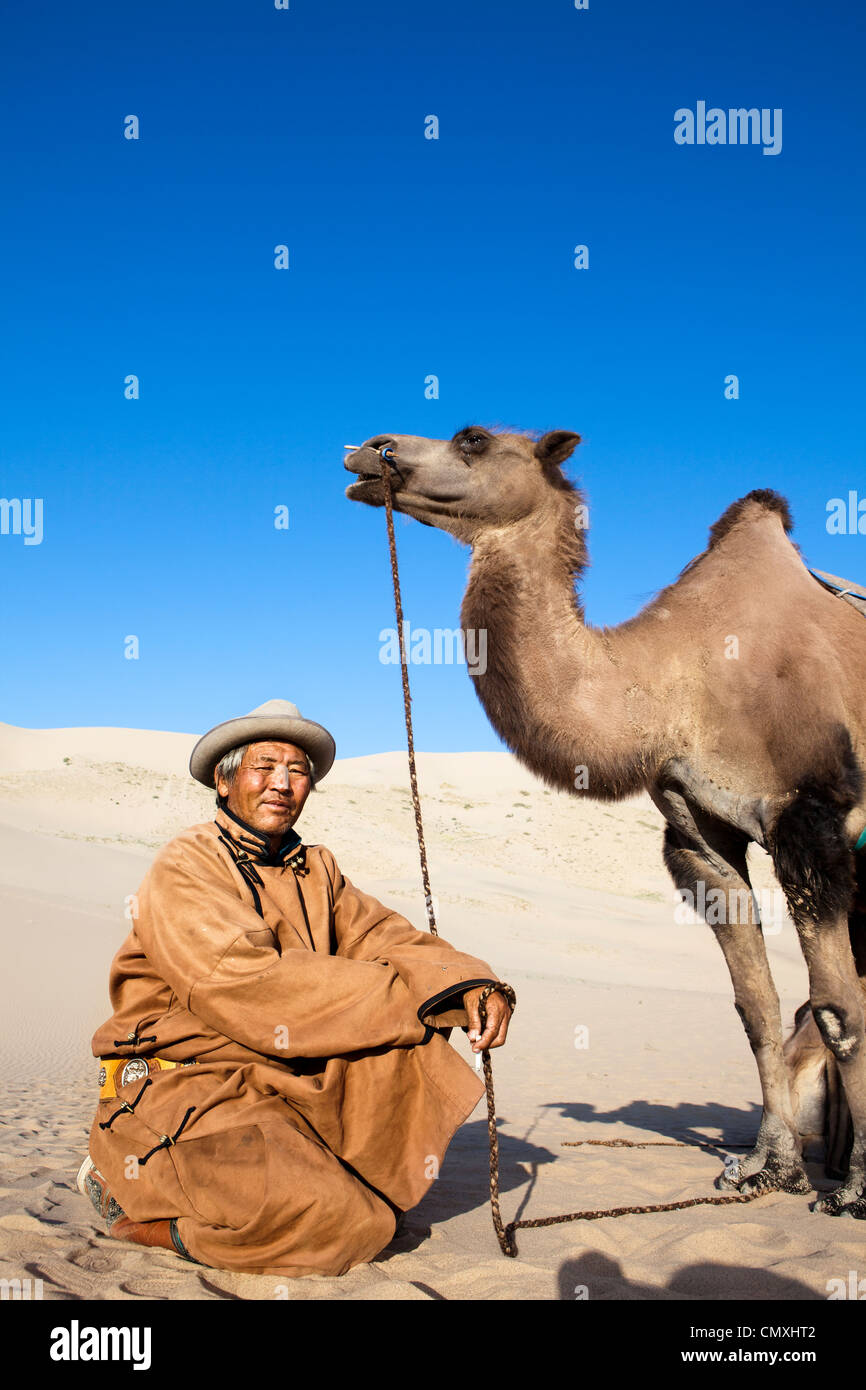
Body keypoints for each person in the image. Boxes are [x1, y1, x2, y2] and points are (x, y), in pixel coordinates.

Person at [78, 699, 514, 1277]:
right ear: (225, 778)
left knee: (412, 1055)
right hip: (183, 1086)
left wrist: (468, 984)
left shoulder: (316, 868)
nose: (281, 784)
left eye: (298, 770)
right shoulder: (187, 864)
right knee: (341, 1220)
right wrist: (417, 1000)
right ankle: (142, 1211)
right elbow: (246, 983)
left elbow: (387, 936)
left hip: (276, 1076)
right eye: (264, 767)